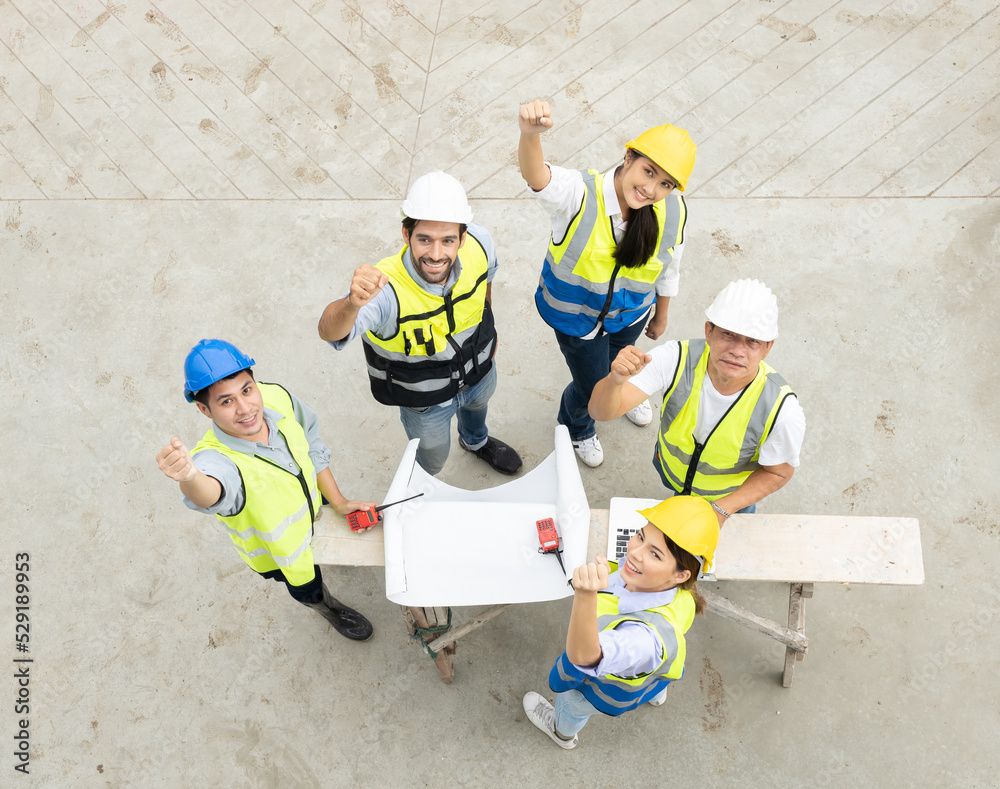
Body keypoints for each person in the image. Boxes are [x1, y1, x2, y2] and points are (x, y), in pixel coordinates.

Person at [155, 339, 376, 641]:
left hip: (311, 499)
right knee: (307, 588)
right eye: (226, 401)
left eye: (247, 390)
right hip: (285, 554)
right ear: (204, 409)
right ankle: (329, 609)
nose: (246, 409)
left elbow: (310, 442)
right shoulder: (215, 458)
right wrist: (189, 477)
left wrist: (337, 501)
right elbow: (213, 492)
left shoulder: (275, 397)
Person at [517, 99, 697, 468]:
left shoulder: (673, 211)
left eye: (664, 183)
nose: (651, 189)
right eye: (648, 172)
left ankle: (625, 396)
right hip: (579, 324)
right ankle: (577, 427)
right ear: (628, 157)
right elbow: (539, 178)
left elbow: (669, 267)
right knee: (591, 387)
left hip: (629, 317)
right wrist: (530, 135)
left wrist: (661, 315)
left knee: (623, 367)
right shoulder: (580, 194)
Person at [318, 171, 522, 477]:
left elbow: (485, 288)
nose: (436, 254)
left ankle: (475, 442)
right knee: (432, 460)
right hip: (426, 405)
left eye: (448, 240)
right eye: (424, 239)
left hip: (479, 375)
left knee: (477, 415)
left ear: (463, 238)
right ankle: (427, 482)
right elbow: (329, 331)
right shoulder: (385, 289)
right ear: (406, 234)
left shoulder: (480, 243)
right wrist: (351, 303)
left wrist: (486, 338)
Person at [589, 279, 806, 528]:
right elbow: (599, 412)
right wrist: (615, 381)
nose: (737, 350)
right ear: (708, 332)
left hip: (731, 502)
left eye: (752, 341)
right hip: (676, 480)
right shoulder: (673, 359)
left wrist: (723, 510)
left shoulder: (782, 410)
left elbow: (778, 472)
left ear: (767, 348)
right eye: (728, 335)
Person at [522, 496, 718, 749]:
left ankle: (562, 734)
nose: (634, 553)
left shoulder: (644, 642)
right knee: (653, 683)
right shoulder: (681, 593)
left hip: (597, 692)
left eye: (655, 555)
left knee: (571, 707)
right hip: (649, 677)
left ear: (681, 574)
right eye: (640, 536)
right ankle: (656, 696)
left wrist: (586, 594)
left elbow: (584, 657)